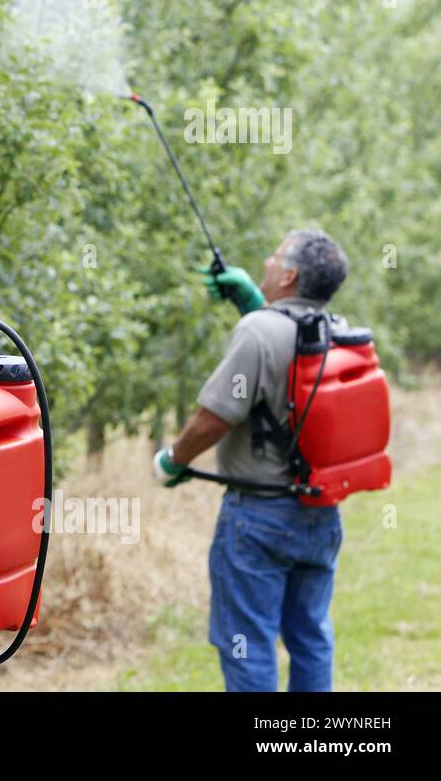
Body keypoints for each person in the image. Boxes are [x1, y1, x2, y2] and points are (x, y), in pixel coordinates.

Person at [153, 229, 350, 692]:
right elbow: (284, 361)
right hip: (321, 514)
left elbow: (215, 417)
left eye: (275, 255)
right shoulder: (338, 331)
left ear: (290, 274)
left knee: (247, 641)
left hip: (258, 519)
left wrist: (173, 459)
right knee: (310, 637)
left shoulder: (259, 331)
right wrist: (252, 301)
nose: (265, 259)